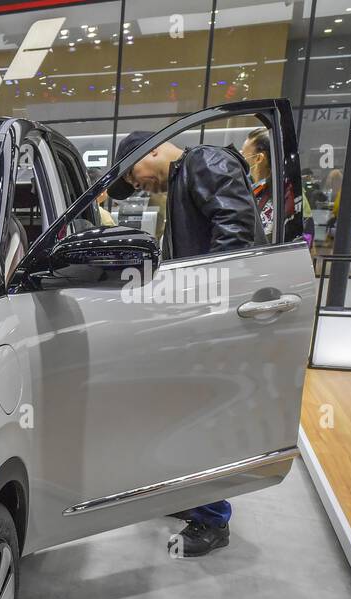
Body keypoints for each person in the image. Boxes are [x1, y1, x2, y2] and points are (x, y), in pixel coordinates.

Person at [108, 129, 264, 557]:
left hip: (216, 320)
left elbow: (235, 236)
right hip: (204, 317)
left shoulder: (204, 162)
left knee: (201, 419)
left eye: (135, 176)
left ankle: (212, 520)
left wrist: (212, 313)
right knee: (188, 412)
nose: (138, 186)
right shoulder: (184, 178)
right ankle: (194, 499)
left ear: (153, 149)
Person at [241, 127, 273, 238]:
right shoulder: (257, 188)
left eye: (243, 155)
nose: (241, 160)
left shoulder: (275, 196)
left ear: (259, 158)